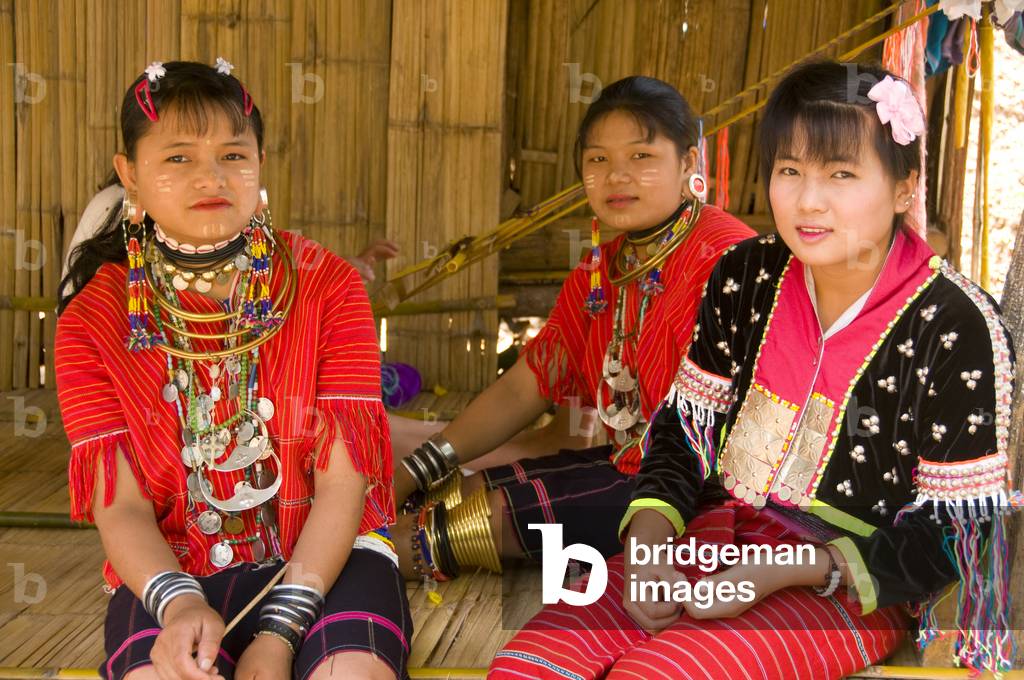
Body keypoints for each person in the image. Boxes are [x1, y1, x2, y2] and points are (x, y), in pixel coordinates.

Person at [490, 61, 1017, 679]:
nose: (808, 200)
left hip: (844, 588)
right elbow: (684, 433)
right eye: (789, 170)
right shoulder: (747, 275)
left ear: (905, 187)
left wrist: (790, 569)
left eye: (841, 173)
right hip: (710, 534)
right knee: (528, 664)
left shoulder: (953, 326)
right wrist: (651, 542)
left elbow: (957, 534)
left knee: (657, 675)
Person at [56, 60, 409, 680]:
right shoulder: (92, 320)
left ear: (260, 163)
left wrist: (277, 634)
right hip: (171, 571)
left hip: (327, 561)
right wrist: (181, 604)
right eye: (178, 158)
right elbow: (123, 508)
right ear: (129, 176)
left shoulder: (328, 285)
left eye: (233, 155)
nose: (210, 176)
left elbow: (342, 484)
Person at [390, 76, 753, 583]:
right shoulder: (601, 270)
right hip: (629, 465)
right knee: (456, 490)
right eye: (598, 159)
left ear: (688, 163)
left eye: (642, 157)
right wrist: (417, 468)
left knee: (433, 536)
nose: (617, 177)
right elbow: (525, 387)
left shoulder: (728, 259)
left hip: (704, 494)